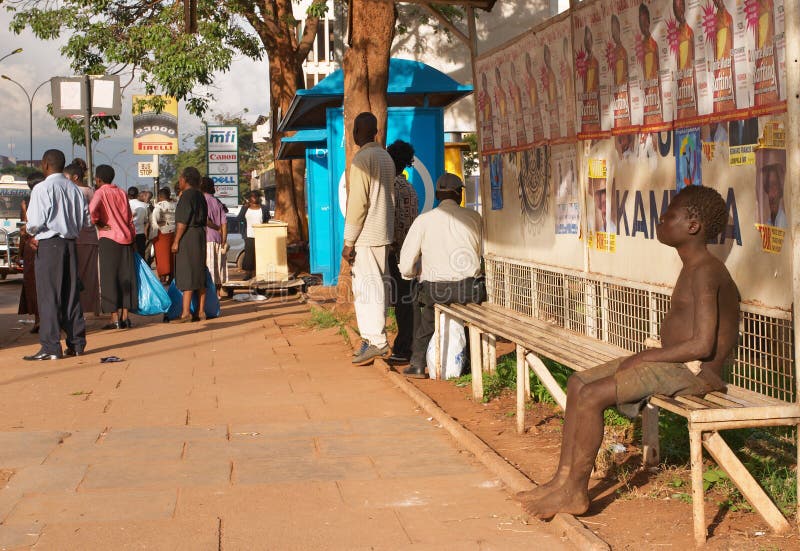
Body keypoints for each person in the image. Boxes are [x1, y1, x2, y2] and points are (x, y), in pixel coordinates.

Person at [518, 185, 739, 518]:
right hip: (675, 364)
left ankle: (577, 493)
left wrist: (644, 356)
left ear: (693, 225)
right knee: (579, 383)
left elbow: (702, 345)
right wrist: (646, 357)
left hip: (694, 373)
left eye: (669, 216)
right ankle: (561, 481)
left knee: (593, 396)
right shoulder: (693, 265)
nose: (661, 221)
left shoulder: (707, 270)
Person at [398, 173, 484, 378]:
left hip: (436, 290)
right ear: (460, 195)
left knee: (426, 317)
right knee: (475, 318)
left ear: (437, 194)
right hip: (469, 290)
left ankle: (417, 363)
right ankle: (471, 361)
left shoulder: (424, 220)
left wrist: (410, 274)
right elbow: (482, 251)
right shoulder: (474, 218)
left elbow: (407, 262)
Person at [23, 149, 90, 360]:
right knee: (71, 294)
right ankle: (77, 343)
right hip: (70, 243)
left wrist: (29, 230)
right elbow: (85, 220)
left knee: (49, 296)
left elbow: (34, 222)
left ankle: (51, 347)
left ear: (45, 164)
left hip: (50, 244)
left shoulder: (42, 189)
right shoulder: (75, 189)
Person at [342, 112, 396, 366]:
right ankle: (371, 338)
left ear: (360, 132)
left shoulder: (362, 159)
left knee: (367, 290)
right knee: (376, 287)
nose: (352, 133)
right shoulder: (385, 157)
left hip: (366, 235)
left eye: (354, 128)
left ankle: (376, 341)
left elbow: (358, 204)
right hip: (383, 232)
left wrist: (348, 241)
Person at [89, 164, 137, 330]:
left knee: (110, 278)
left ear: (99, 179)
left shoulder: (100, 192)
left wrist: (99, 223)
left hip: (109, 239)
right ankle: (126, 317)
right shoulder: (122, 192)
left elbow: (91, 211)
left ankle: (114, 318)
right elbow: (130, 218)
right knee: (126, 277)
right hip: (127, 238)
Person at [385, 140, 420, 365]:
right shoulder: (409, 188)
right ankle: (408, 344)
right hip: (411, 253)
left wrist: (393, 248)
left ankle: (404, 347)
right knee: (407, 301)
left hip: (396, 252)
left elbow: (395, 225)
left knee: (402, 304)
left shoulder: (390, 188)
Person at [65, 160, 101, 317]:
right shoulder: (90, 191)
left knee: (73, 275)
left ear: (74, 177)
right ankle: (93, 307)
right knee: (90, 275)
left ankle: (74, 309)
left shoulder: (69, 191)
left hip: (73, 237)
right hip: (89, 237)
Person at [172, 167, 208, 322]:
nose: (179, 181)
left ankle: (186, 312)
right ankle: (201, 311)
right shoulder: (200, 195)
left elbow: (182, 222)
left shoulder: (186, 196)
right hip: (200, 234)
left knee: (187, 272)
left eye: (180, 178)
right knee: (199, 271)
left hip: (188, 236)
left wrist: (176, 241)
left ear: (185, 179)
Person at [17, 171, 45, 334]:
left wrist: (20, 252)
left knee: (32, 284)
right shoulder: (48, 198)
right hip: (47, 244)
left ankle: (38, 321)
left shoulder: (26, 202)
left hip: (30, 245)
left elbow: (24, 229)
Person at [201, 177, 228, 295]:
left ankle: (210, 295)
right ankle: (217, 293)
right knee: (218, 267)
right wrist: (223, 240)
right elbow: (224, 224)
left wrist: (216, 228)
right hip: (218, 239)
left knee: (209, 268)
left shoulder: (202, 200)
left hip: (207, 238)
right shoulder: (217, 202)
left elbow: (205, 220)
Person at [236, 191, 270, 280]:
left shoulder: (264, 208)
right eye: (252, 196)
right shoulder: (245, 208)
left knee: (261, 255)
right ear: (249, 198)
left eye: (256, 196)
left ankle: (260, 273)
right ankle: (248, 274)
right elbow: (239, 219)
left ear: (259, 198)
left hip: (261, 235)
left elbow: (267, 220)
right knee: (249, 255)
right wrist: (244, 207)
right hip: (249, 235)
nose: (254, 198)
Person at [151, 187, 177, 283]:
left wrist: (157, 227)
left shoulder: (159, 206)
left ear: (160, 196)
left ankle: (163, 276)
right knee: (171, 254)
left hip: (162, 233)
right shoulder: (175, 205)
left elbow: (155, 219)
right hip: (173, 232)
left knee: (161, 255)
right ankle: (171, 276)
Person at [128, 186, 149, 258]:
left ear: (128, 195)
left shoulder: (125, 204)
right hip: (140, 234)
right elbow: (146, 220)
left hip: (128, 234)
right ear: (137, 195)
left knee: (130, 257)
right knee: (141, 256)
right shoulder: (144, 205)